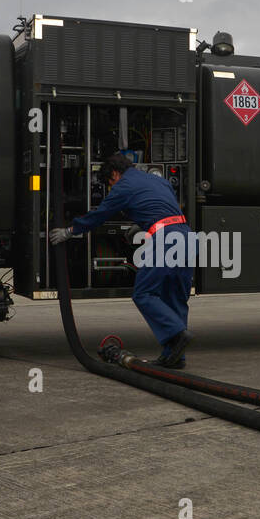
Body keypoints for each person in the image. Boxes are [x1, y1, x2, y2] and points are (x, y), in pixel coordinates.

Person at [49, 155, 193, 367]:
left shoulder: (123, 186)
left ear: (115, 174)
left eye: (109, 182)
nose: (111, 186)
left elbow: (100, 214)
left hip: (165, 239)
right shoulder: (158, 180)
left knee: (144, 293)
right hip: (186, 236)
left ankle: (177, 334)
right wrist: (143, 224)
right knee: (176, 296)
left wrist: (70, 231)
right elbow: (165, 204)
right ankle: (175, 357)